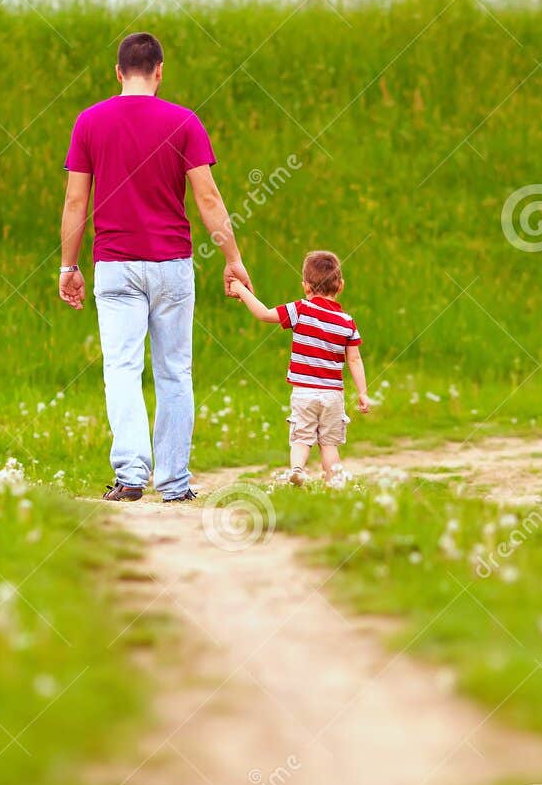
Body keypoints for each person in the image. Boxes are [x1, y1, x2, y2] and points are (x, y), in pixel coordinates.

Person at [58, 32, 250, 501]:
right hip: (171, 266)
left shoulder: (89, 122)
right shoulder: (184, 121)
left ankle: (129, 475)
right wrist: (233, 259)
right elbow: (207, 197)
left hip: (115, 266)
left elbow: (74, 201)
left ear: (118, 72)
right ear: (160, 70)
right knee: (174, 372)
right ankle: (174, 482)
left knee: (121, 369)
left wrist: (68, 267)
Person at [228, 250, 370, 486]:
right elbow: (354, 360)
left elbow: (264, 314)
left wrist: (241, 289)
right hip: (333, 395)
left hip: (304, 392)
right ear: (341, 286)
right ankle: (333, 482)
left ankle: (297, 469)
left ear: (305, 286)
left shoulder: (300, 310)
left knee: (301, 439)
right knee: (329, 443)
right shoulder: (347, 322)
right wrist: (363, 392)